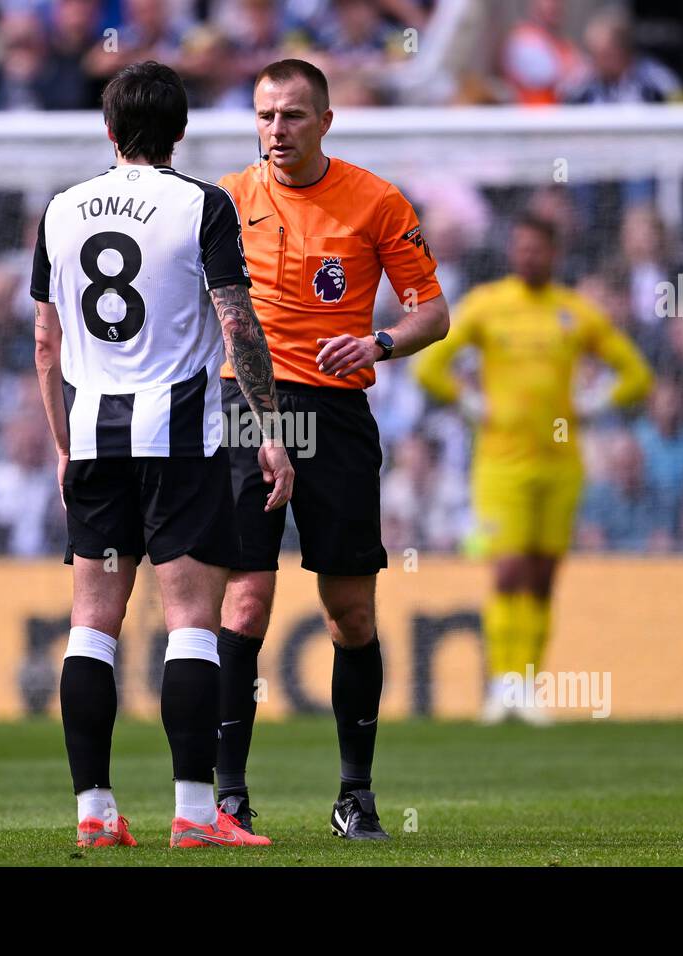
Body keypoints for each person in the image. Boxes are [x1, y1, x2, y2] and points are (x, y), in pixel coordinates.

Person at [31, 61, 292, 849]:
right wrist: (271, 428)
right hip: (180, 439)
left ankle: (94, 814)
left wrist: (62, 444)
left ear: (109, 133)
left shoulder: (62, 208)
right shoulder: (202, 204)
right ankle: (191, 810)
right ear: (180, 132)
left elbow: (46, 343)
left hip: (96, 440)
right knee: (190, 625)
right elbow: (238, 322)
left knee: (91, 627)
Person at [214, 58, 450, 840]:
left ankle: (355, 794)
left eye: (291, 116)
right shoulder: (227, 200)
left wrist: (378, 343)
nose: (275, 131)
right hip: (250, 402)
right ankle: (228, 797)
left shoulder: (376, 201)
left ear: (325, 121)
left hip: (336, 411)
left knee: (350, 611)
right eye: (264, 116)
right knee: (246, 600)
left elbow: (434, 313)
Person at [415, 213, 652, 723]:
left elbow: (636, 375)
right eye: (520, 247)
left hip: (561, 464)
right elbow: (429, 365)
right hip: (501, 464)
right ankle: (502, 684)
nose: (527, 256)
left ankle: (528, 683)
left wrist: (592, 402)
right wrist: (470, 403)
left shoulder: (574, 313)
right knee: (507, 569)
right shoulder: (487, 306)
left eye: (536, 248)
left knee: (543, 575)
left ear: (554, 254)